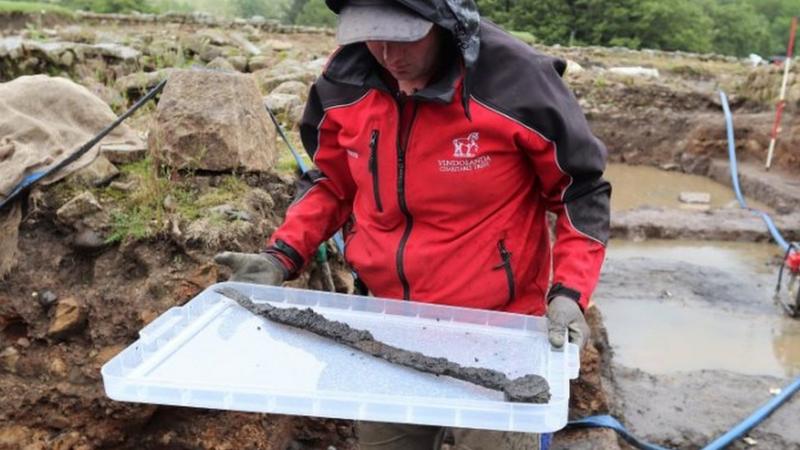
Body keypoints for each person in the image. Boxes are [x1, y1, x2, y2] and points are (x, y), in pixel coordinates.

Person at [215, 0, 611, 448]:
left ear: (444, 23)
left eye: (403, 38)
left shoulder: (516, 82)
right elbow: (333, 181)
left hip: (498, 334)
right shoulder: (344, 80)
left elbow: (580, 190)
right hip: (385, 328)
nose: (387, 54)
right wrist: (281, 255)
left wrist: (570, 294)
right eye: (371, 35)